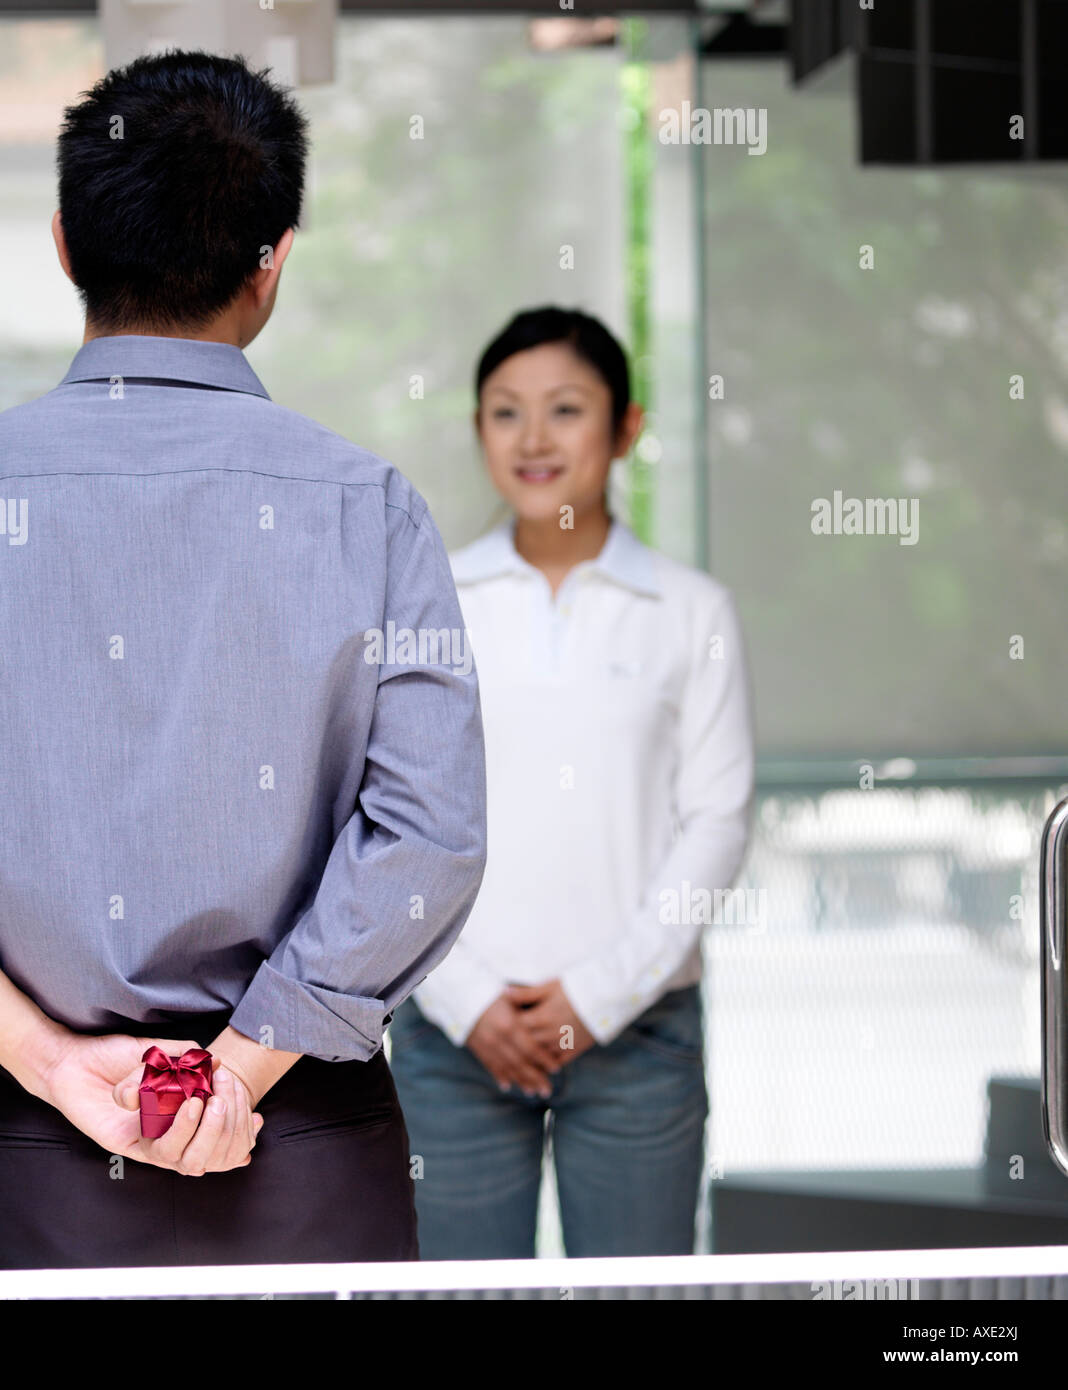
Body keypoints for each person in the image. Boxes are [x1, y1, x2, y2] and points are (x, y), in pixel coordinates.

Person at [0, 50, 487, 1269]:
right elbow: (427, 838)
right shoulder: (366, 508)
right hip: (308, 1145)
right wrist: (244, 1064)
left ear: (65, 243)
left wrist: (54, 1062)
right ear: (273, 264)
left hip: (47, 1144)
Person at [387, 306, 754, 1258]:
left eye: (566, 409)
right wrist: (463, 997)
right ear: (478, 433)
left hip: (638, 1036)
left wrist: (596, 998)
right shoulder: (431, 605)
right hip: (453, 1031)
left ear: (626, 427)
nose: (535, 439)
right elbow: (385, 815)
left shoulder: (689, 611)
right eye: (506, 413)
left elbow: (717, 823)